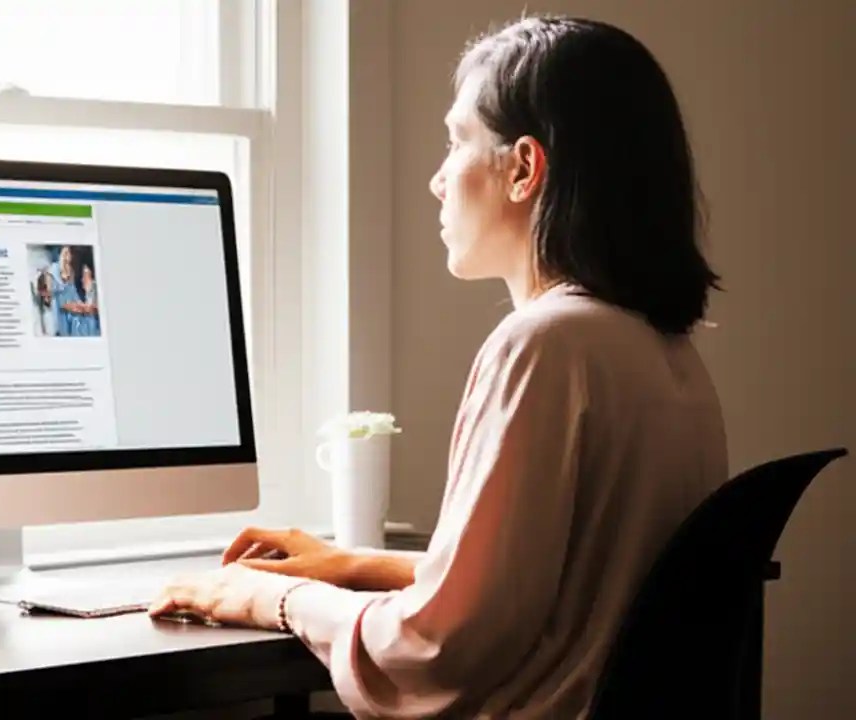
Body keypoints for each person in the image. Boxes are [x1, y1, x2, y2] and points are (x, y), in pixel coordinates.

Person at [148, 15, 728, 719]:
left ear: (522, 168)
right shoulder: (664, 353)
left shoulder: (544, 346)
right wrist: (352, 563)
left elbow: (435, 648)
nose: (436, 179)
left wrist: (274, 596)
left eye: (456, 142)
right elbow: (551, 588)